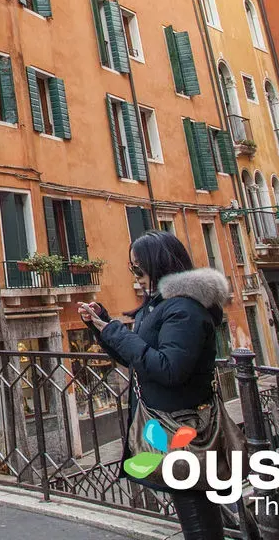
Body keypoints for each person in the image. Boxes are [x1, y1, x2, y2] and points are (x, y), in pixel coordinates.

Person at [78, 230, 231, 540]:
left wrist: (115, 332)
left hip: (182, 424)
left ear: (159, 265)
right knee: (191, 504)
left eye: (138, 268)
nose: (135, 275)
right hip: (169, 423)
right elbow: (140, 361)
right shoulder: (162, 306)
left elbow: (168, 369)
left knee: (195, 507)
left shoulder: (184, 309)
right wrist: (103, 328)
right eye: (132, 269)